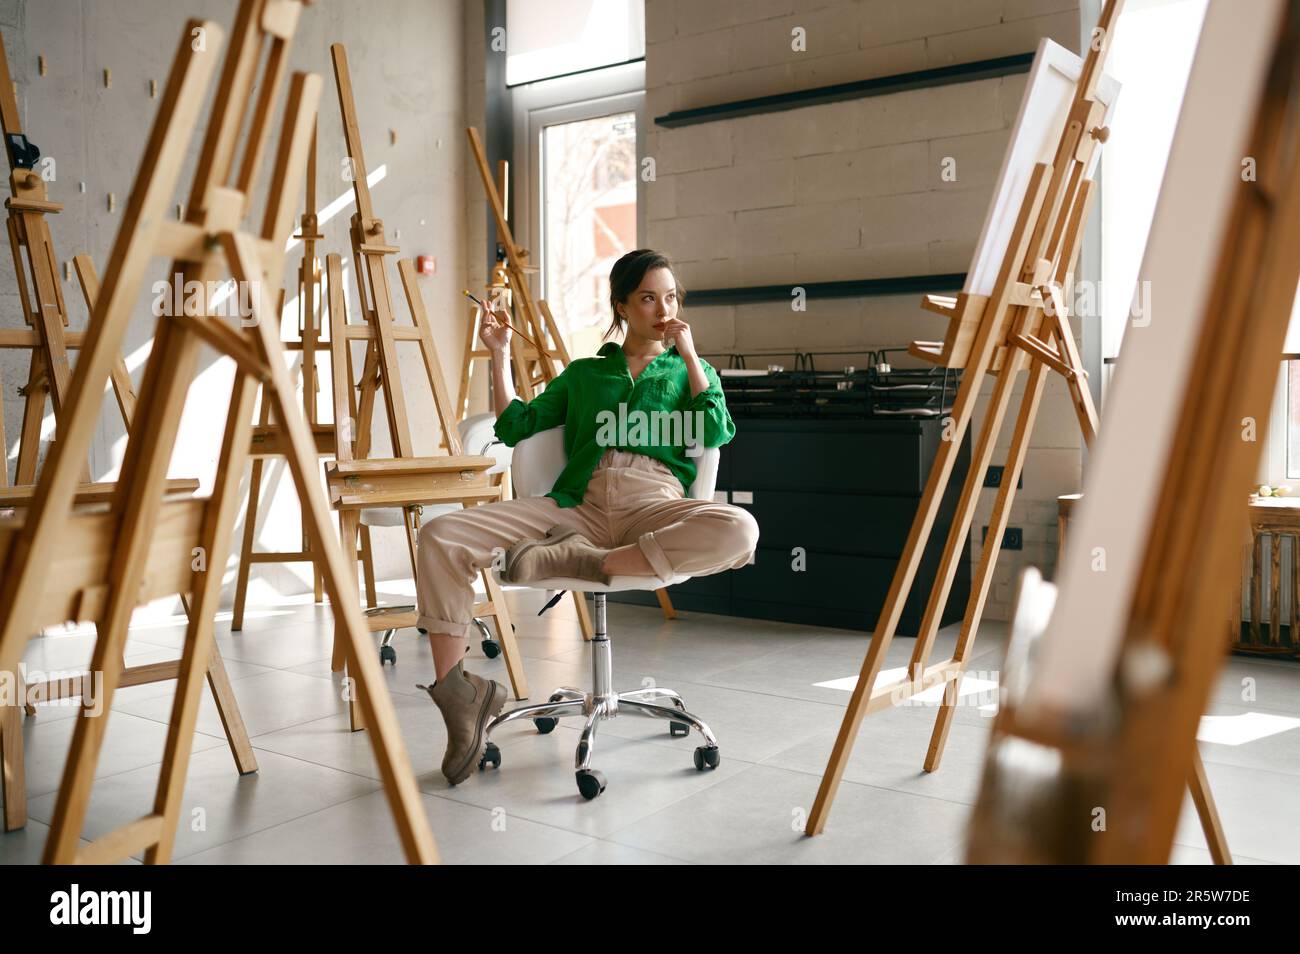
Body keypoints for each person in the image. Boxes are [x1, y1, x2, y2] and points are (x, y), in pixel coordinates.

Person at [415, 248, 760, 784]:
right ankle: (459, 695)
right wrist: (499, 355)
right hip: (574, 505)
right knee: (440, 534)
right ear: (622, 305)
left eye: (670, 297)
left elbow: (715, 431)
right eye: (648, 298)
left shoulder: (689, 371)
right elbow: (515, 427)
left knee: (741, 527)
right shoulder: (584, 374)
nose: (662, 308)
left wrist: (690, 353)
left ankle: (592, 560)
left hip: (656, 504)